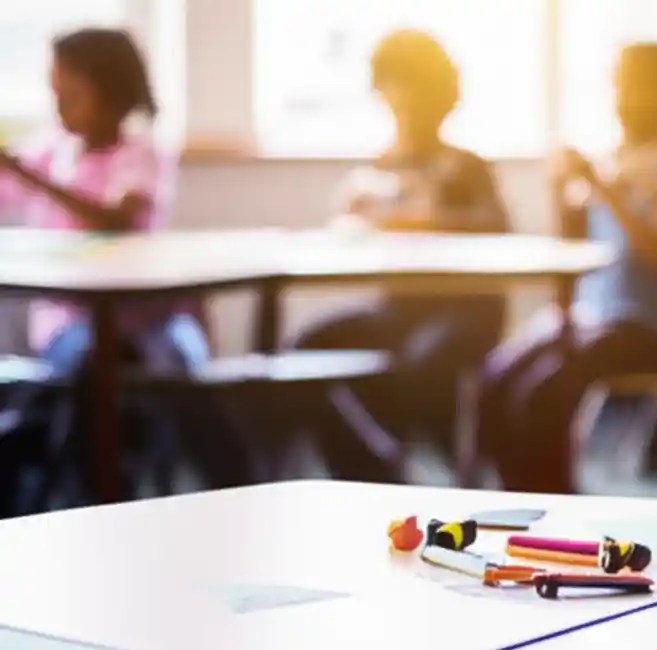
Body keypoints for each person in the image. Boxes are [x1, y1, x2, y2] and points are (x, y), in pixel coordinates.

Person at [0, 28, 250, 501]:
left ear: (109, 92)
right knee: (91, 371)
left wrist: (30, 176)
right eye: (54, 95)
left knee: (182, 381)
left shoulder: (140, 154)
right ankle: (94, 497)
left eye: (70, 95)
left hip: (154, 322)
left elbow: (117, 218)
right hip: (70, 321)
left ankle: (235, 493)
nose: (58, 108)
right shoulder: (50, 148)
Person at [471, 42, 657, 494]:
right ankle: (518, 493)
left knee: (544, 391)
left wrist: (603, 186)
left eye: (638, 86)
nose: (624, 97)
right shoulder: (610, 158)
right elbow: (574, 247)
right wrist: (564, 190)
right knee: (495, 378)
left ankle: (558, 501)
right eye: (620, 84)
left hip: (652, 327)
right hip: (595, 317)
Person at [290, 29, 511, 482]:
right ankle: (370, 469)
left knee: (420, 365)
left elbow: (497, 229)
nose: (404, 101)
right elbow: (351, 234)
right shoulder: (379, 167)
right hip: (399, 308)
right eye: (394, 89)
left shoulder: (463, 165)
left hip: (465, 309)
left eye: (414, 88)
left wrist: (428, 217)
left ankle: (451, 467)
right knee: (306, 350)